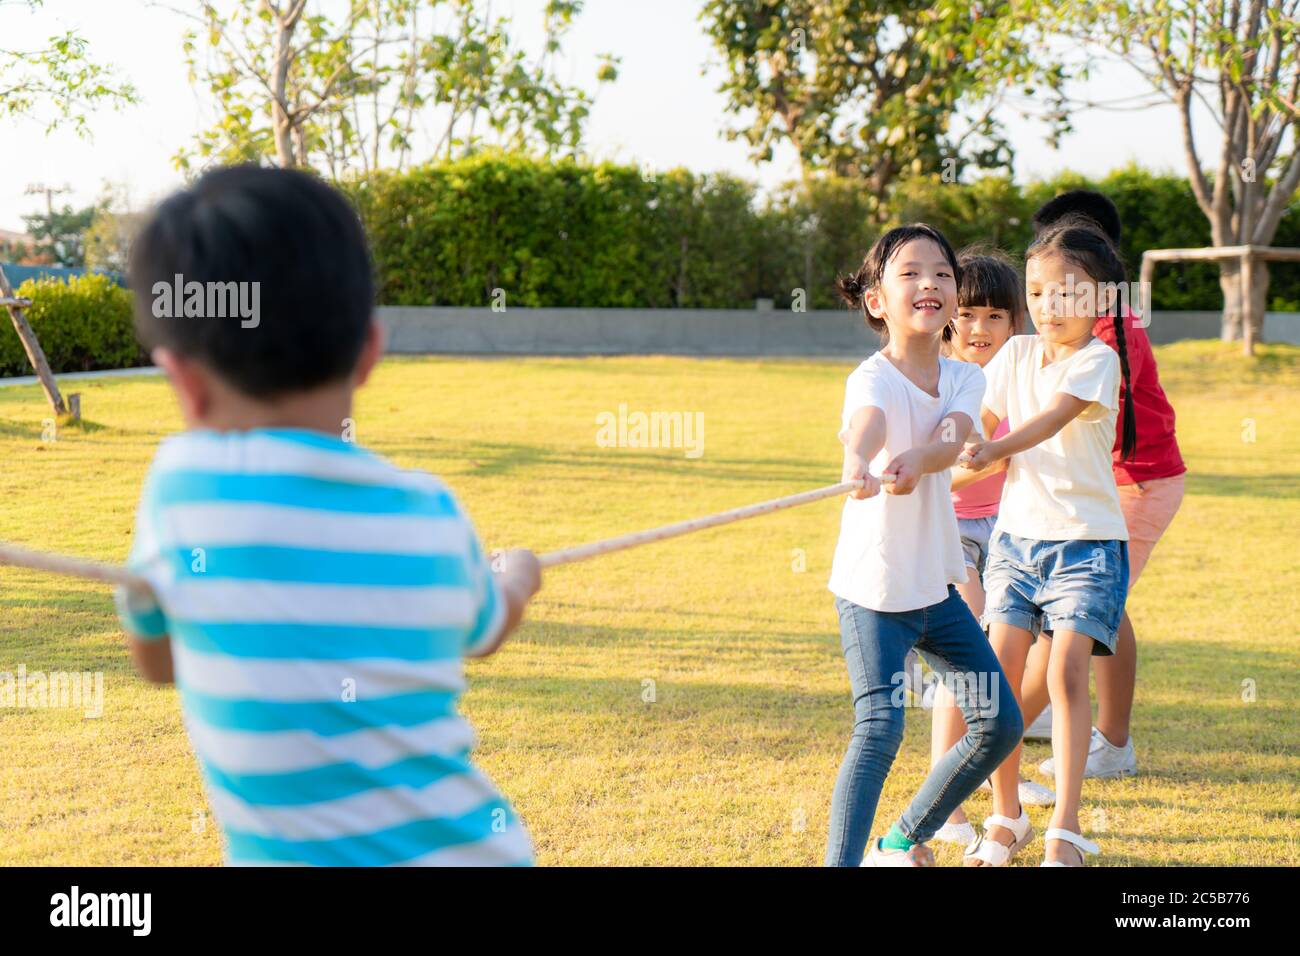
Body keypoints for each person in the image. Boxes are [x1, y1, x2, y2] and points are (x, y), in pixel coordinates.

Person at [115, 165, 541, 866]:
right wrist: (520, 576)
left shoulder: (182, 490)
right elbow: (486, 629)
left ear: (183, 381)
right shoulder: (429, 511)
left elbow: (157, 663)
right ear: (369, 351)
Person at [826, 223, 1023, 867]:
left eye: (941, 272)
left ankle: (899, 842)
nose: (929, 283)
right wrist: (859, 458)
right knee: (880, 729)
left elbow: (954, 435)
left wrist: (921, 459)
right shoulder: (871, 376)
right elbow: (867, 421)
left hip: (935, 587)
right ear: (877, 300)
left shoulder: (965, 377)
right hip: (874, 587)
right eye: (909, 272)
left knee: (998, 723)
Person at [960, 214, 1137, 866]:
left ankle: (1064, 825)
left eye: (1066, 292)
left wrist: (991, 450)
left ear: (1102, 299)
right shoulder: (1014, 353)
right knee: (996, 678)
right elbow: (970, 424)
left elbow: (1045, 422)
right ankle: (1007, 818)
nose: (1047, 306)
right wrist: (925, 465)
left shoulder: (1098, 362)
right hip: (1015, 545)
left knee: (1064, 673)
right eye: (1036, 293)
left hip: (1085, 546)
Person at [1024, 190, 1186, 779]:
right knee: (1104, 606)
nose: (1052, 292)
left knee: (1078, 609)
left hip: (1139, 484)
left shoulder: (1113, 336)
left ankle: (1022, 733)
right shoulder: (1075, 323)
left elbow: (1072, 413)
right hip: (1105, 484)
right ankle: (1099, 732)